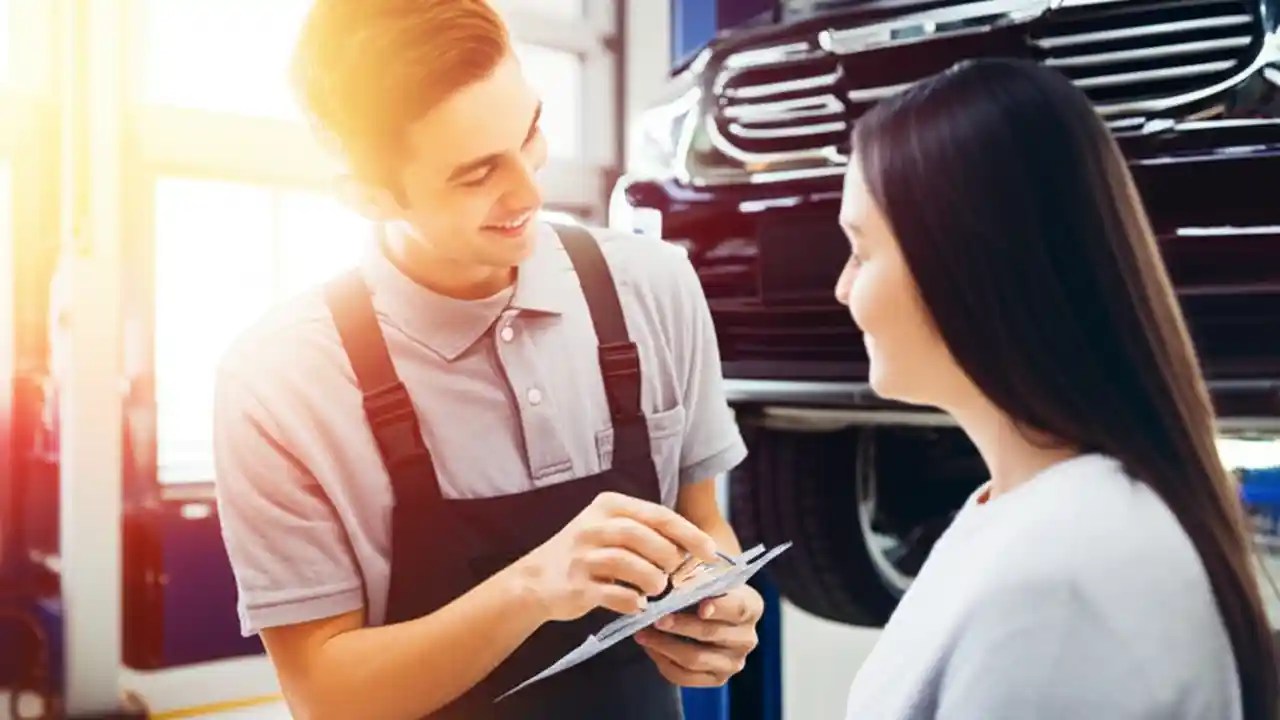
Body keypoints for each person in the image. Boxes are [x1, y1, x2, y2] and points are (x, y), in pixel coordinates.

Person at [210, 2, 761, 718]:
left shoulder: (653, 286)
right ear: (369, 196)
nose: (533, 191)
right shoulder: (278, 382)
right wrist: (532, 587)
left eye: (530, 132)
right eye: (476, 175)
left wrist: (715, 602)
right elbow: (325, 696)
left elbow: (701, 521)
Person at [835, 58, 1278, 719]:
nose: (842, 288)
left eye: (862, 252)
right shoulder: (1028, 517)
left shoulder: (1066, 574)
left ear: (965, 258)